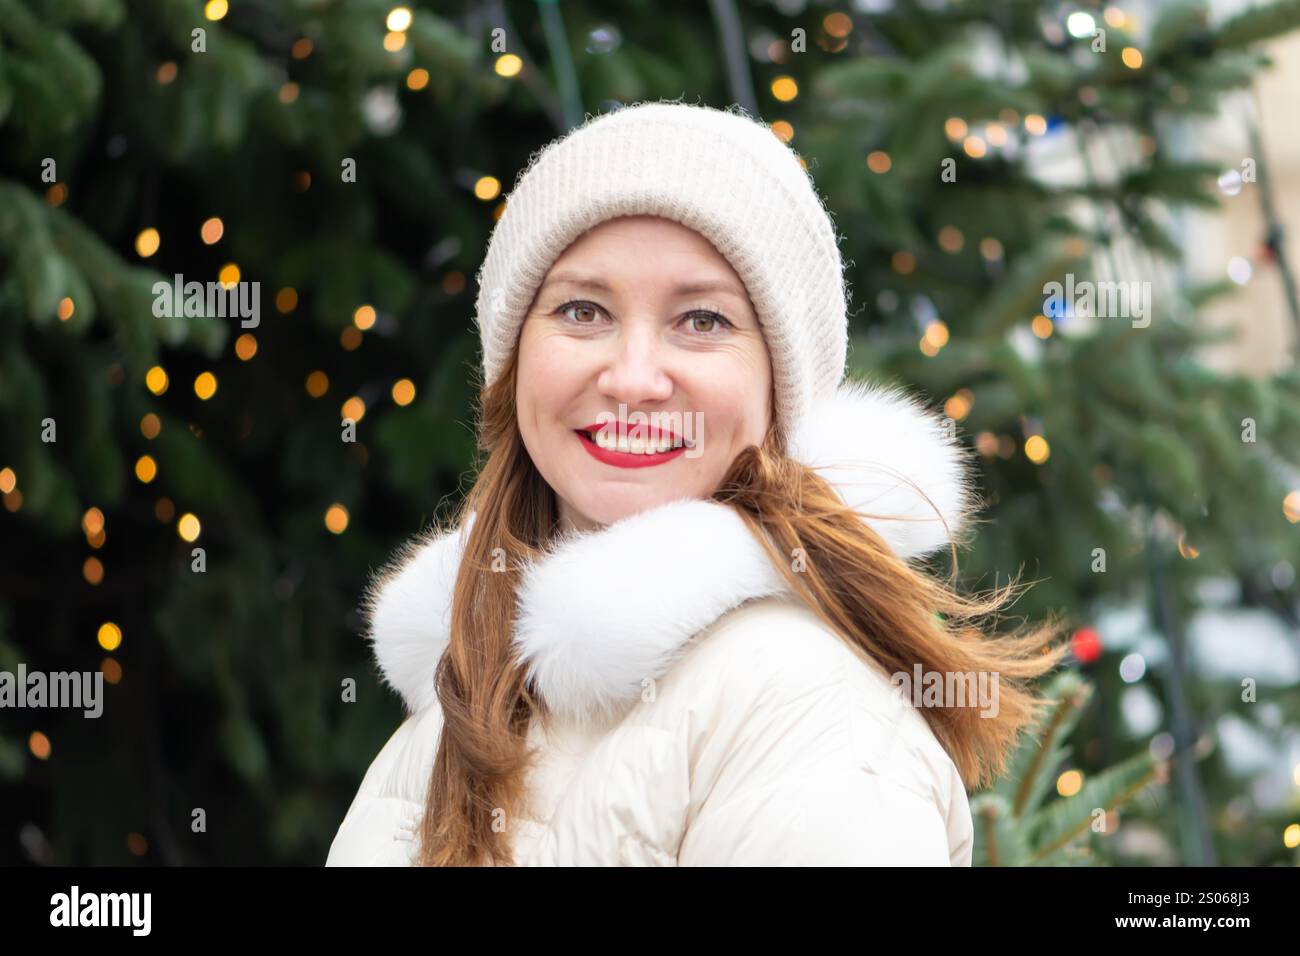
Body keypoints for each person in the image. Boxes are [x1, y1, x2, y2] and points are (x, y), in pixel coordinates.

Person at [326, 99, 1065, 866]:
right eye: (583, 310)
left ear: (782, 387)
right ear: (513, 361)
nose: (634, 378)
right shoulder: (463, 684)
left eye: (702, 320)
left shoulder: (809, 718)